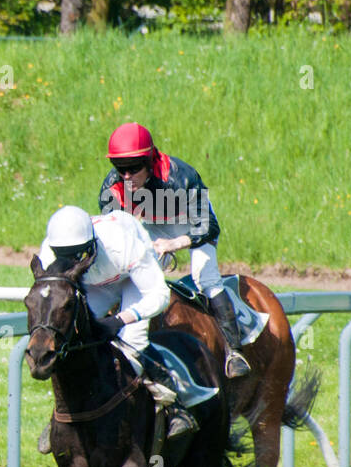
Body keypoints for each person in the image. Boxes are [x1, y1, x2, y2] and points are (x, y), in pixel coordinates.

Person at [37, 205, 198, 450]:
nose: (70, 262)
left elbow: (159, 295)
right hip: (96, 283)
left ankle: (175, 406)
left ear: (91, 244)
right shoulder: (49, 253)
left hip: (133, 277)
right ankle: (61, 416)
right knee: (72, 339)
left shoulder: (121, 244)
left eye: (76, 256)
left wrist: (120, 319)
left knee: (132, 341)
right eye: (64, 257)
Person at [99, 122, 249, 378]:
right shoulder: (112, 187)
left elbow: (209, 227)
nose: (126, 177)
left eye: (134, 168)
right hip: (152, 224)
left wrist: (173, 245)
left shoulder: (180, 177)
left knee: (205, 277)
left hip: (191, 223)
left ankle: (234, 352)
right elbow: (115, 236)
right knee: (127, 275)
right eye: (120, 169)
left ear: (149, 161)